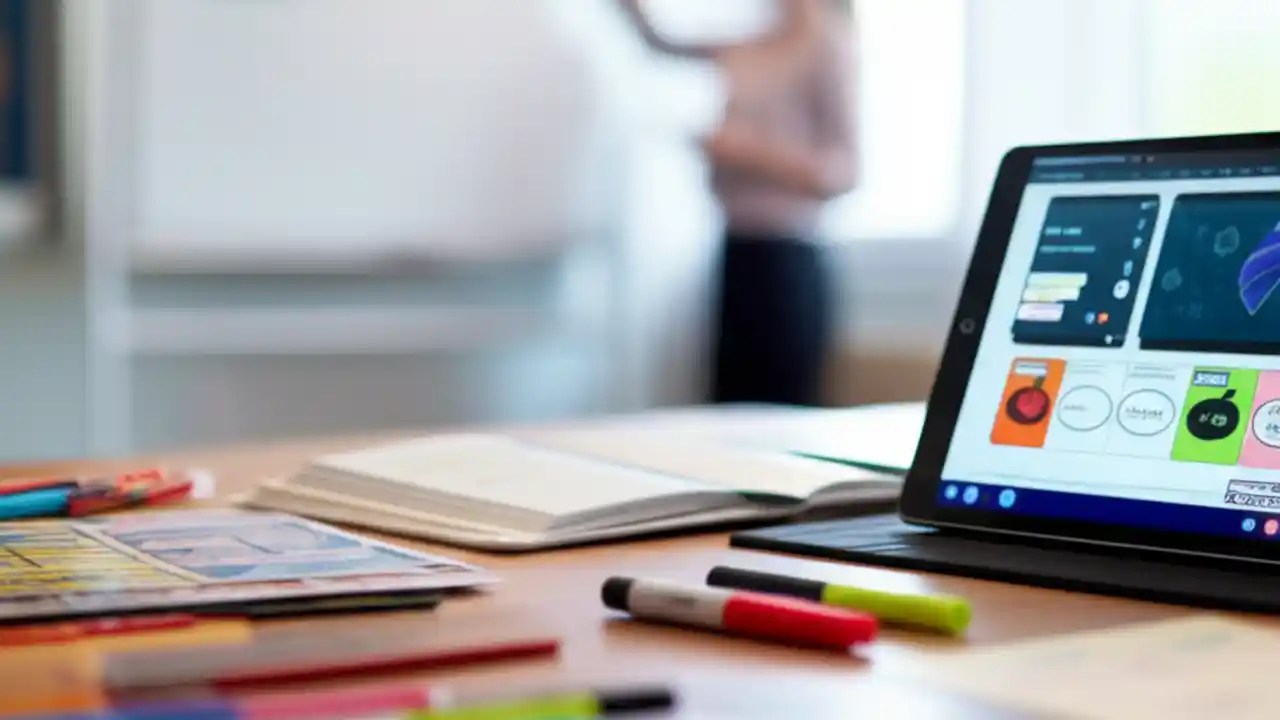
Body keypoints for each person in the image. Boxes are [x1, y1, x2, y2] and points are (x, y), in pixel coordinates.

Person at [619, 0, 857, 406]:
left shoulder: (828, 45)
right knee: (728, 404)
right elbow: (659, 43)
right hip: (737, 250)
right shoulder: (751, 45)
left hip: (788, 260)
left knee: (779, 410)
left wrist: (743, 151)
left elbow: (843, 172)